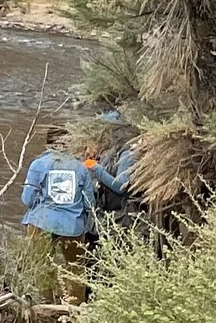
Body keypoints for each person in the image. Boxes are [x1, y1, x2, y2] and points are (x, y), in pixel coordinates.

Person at [19, 128, 134, 299]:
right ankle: (75, 309)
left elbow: (27, 199)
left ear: (48, 144)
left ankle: (44, 302)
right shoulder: (80, 168)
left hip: (41, 222)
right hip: (72, 227)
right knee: (76, 269)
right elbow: (89, 204)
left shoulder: (38, 165)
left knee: (41, 265)